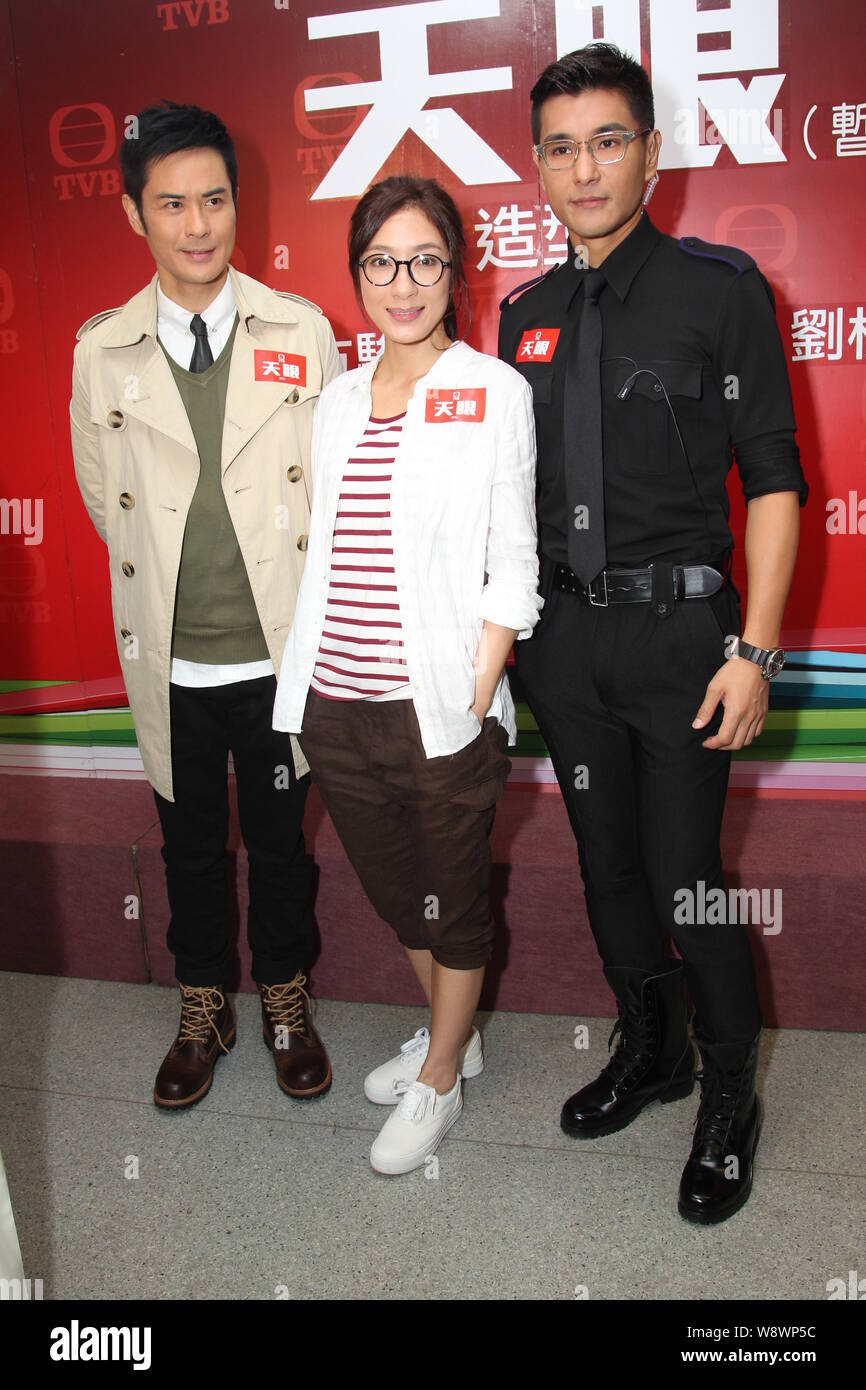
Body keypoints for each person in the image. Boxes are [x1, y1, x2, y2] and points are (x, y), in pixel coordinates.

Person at [498, 44, 808, 1223]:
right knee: (605, 867)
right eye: (561, 146)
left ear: (650, 151)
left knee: (689, 885)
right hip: (565, 648)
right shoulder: (521, 313)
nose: (584, 168)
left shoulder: (719, 291)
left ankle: (730, 1087)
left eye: (607, 140)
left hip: (685, 644)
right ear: (536, 165)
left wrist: (756, 651)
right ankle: (654, 1047)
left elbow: (772, 481)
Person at [70, 101, 341, 1110]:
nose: (196, 226)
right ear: (136, 214)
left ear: (239, 203)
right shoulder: (101, 353)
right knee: (187, 847)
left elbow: (326, 487)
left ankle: (282, 997)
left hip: (274, 659)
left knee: (278, 845)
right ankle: (202, 1004)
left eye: (214, 200)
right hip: (174, 664)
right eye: (170, 203)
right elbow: (111, 508)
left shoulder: (301, 330)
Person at [273, 175, 542, 1175]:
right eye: (381, 261)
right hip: (334, 703)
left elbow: (513, 561)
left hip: (439, 711)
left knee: (454, 900)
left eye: (424, 259)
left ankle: (438, 1079)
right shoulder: (335, 400)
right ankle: (453, 1035)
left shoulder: (493, 390)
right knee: (398, 897)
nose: (403, 281)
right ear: (355, 275)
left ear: (452, 272)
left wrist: (475, 686)